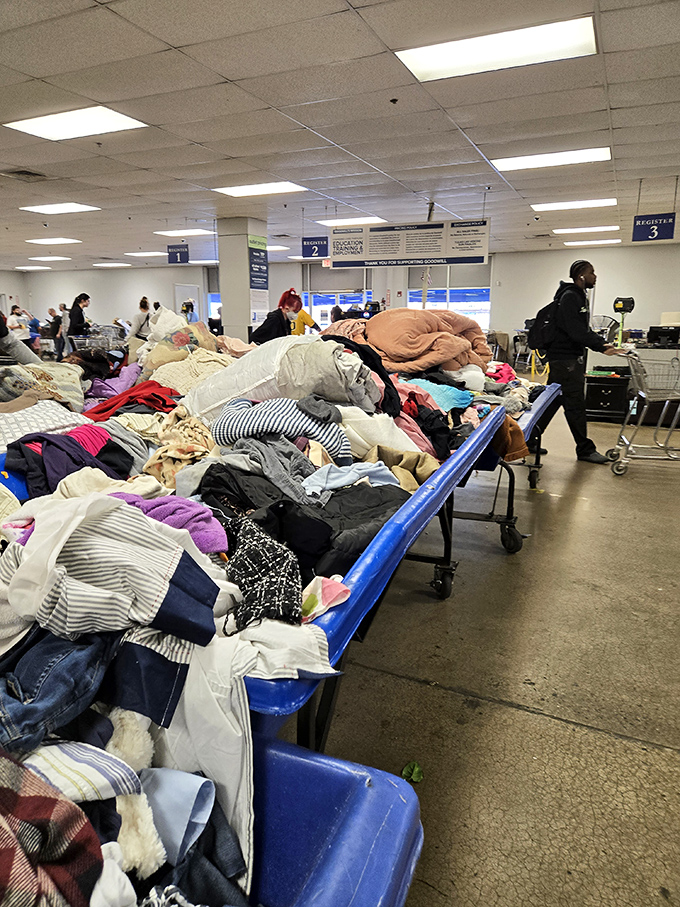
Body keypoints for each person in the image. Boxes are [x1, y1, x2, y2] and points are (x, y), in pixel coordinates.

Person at [546, 260, 620, 464]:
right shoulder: (571, 297)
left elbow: (581, 329)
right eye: (592, 273)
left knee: (552, 400)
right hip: (566, 360)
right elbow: (576, 331)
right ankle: (585, 450)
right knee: (575, 404)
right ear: (581, 276)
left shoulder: (576, 296)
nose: (595, 277)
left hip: (564, 358)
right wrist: (601, 346)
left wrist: (601, 342)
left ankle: (529, 440)